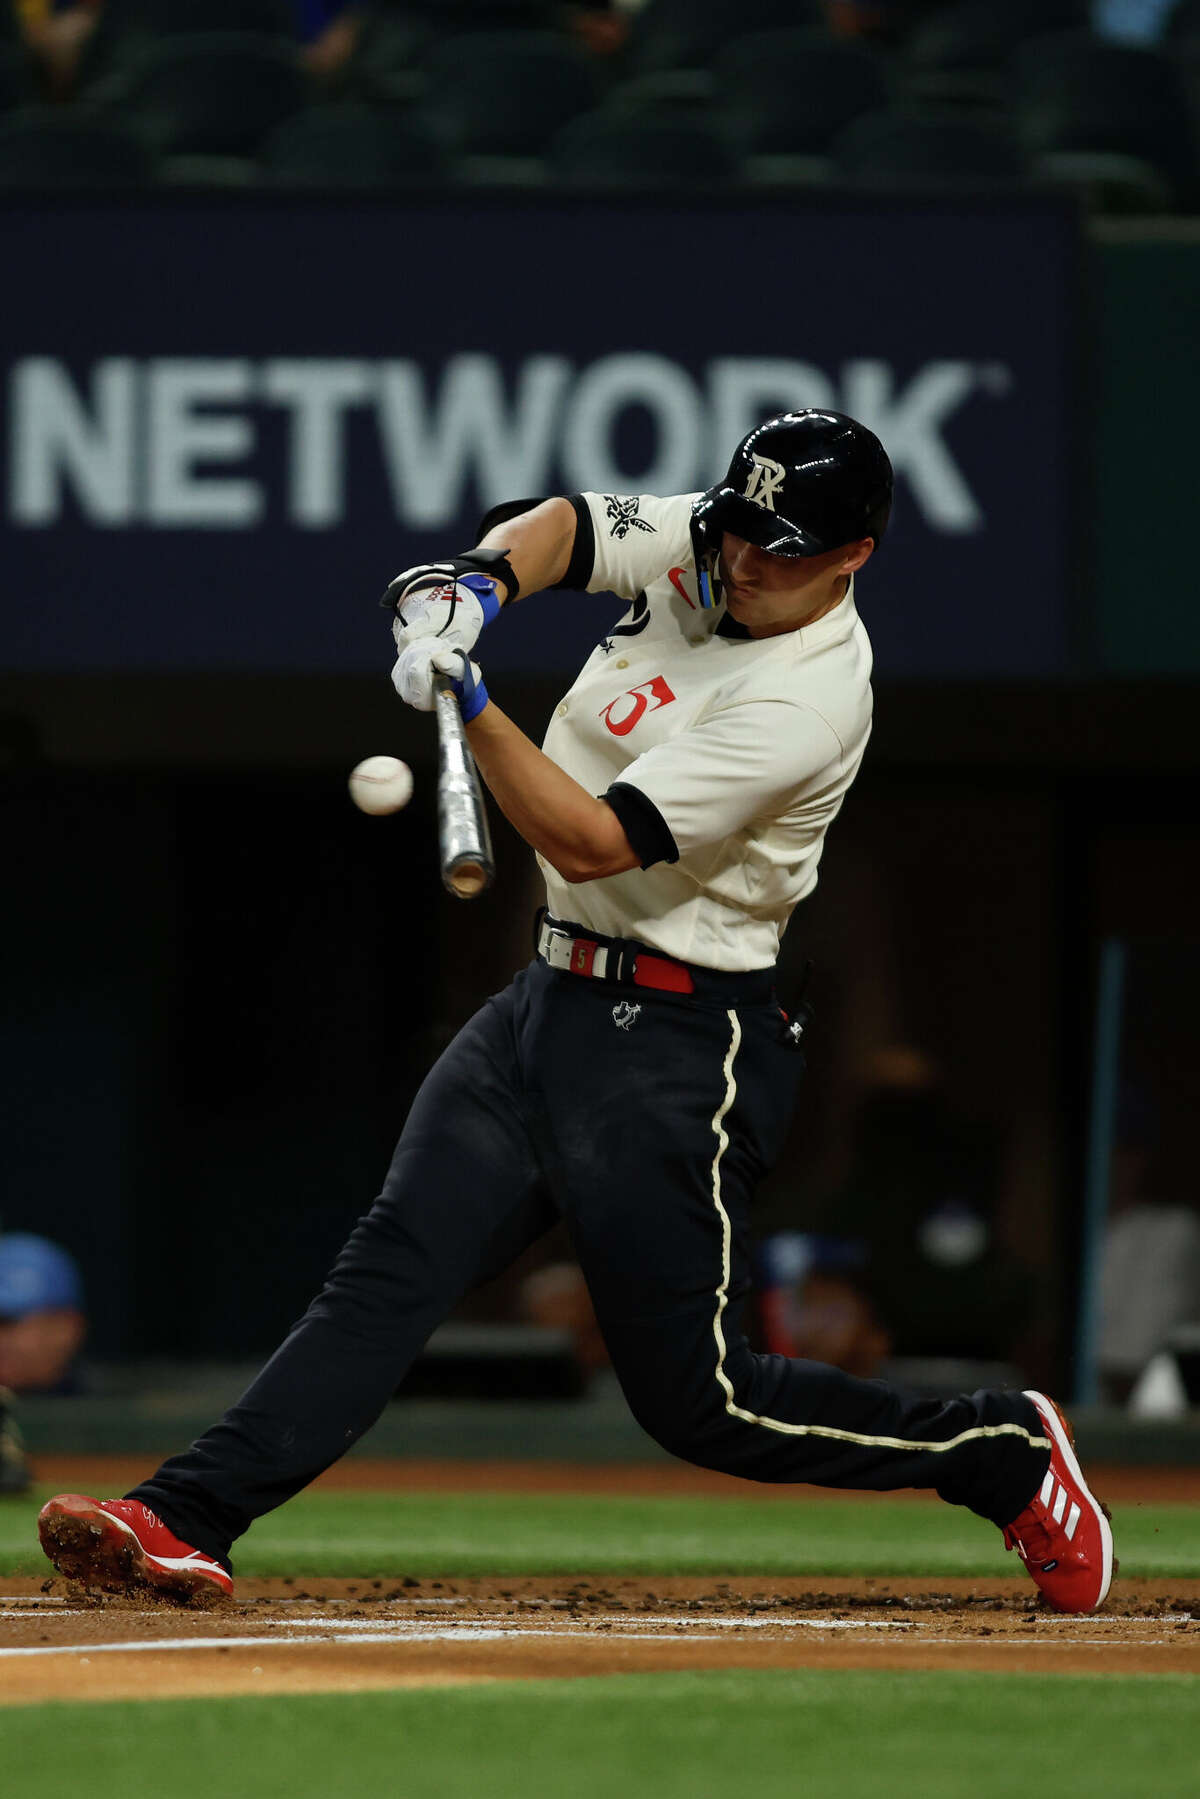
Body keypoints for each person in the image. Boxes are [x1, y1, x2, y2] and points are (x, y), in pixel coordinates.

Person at [37, 411, 1114, 1614]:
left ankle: (1000, 1449)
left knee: (703, 1402)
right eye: (742, 528)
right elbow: (559, 528)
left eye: (786, 547)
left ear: (854, 554)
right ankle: (187, 1512)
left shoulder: (811, 697)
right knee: (389, 1267)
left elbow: (593, 841)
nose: (748, 560)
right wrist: (475, 589)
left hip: (679, 1040)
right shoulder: (711, 539)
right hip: (546, 1000)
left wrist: (471, 693)